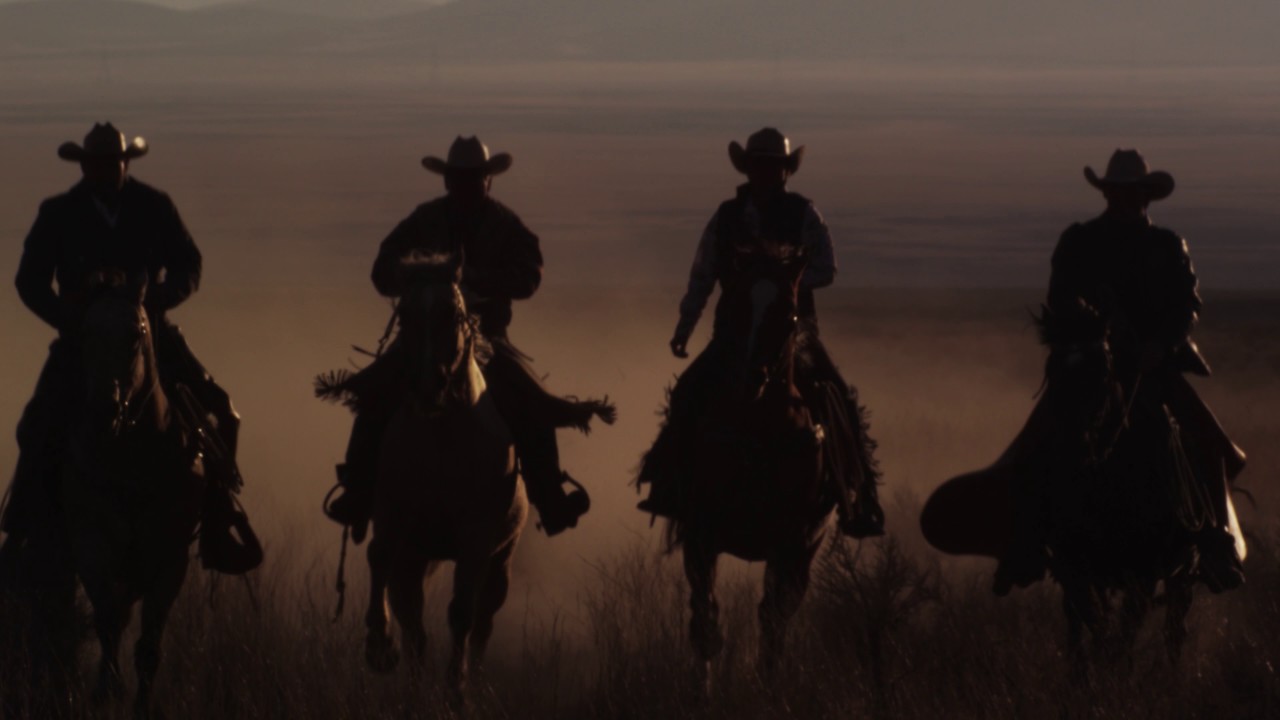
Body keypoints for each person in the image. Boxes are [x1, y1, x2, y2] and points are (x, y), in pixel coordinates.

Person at [1, 122, 261, 576]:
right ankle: (22, 529)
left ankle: (218, 522)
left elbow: (189, 265)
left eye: (111, 162)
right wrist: (72, 317)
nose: (104, 169)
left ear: (125, 163)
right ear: (83, 165)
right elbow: (29, 281)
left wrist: (153, 304)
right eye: (96, 162)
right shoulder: (59, 212)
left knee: (221, 411)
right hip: (82, 341)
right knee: (37, 424)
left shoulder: (153, 205)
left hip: (152, 335)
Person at [323, 136, 614, 541]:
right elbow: (382, 270)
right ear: (449, 181)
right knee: (373, 395)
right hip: (423, 334)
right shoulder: (423, 221)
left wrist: (479, 281)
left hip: (489, 338)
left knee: (534, 404)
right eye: (461, 178)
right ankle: (358, 490)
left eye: (474, 178)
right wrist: (419, 278)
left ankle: (549, 496)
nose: (468, 185)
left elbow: (530, 275)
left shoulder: (505, 225)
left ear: (487, 180)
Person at [994, 148, 1246, 595]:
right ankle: (1024, 543)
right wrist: (1090, 333)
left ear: (1146, 196)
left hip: (1154, 366)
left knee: (1210, 443)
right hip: (1091, 364)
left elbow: (1188, 305)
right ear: (1107, 192)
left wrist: (1160, 344)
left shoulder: (1167, 245)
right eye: (1118, 191)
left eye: (1134, 192)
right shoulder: (1078, 241)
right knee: (1035, 444)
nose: (1126, 199)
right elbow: (1059, 299)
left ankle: (1215, 542)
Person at [636, 128, 884, 537]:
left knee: (840, 399)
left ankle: (859, 498)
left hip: (794, 333)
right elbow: (702, 274)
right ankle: (669, 486)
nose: (767, 173)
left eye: (774, 166)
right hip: (733, 333)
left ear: (786, 171)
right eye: (760, 165)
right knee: (687, 393)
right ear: (749, 169)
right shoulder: (727, 216)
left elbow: (827, 268)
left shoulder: (805, 214)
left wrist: (779, 285)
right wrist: (686, 326)